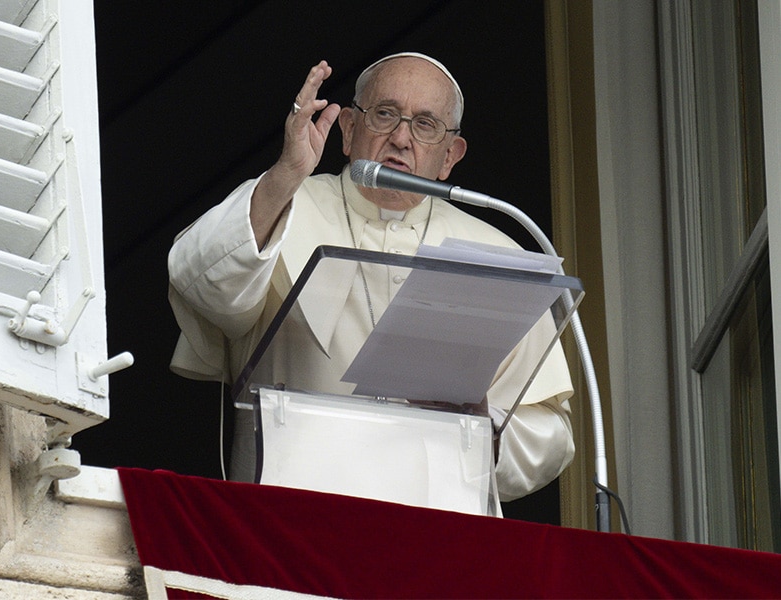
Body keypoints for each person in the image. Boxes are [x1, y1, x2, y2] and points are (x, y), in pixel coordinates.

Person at [168, 53, 575, 504]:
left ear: (450, 156)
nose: (401, 138)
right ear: (347, 129)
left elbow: (550, 434)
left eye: (425, 125)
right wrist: (286, 174)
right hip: (289, 516)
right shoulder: (279, 204)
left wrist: (485, 426)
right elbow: (200, 282)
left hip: (439, 528)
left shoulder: (498, 254)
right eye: (384, 114)